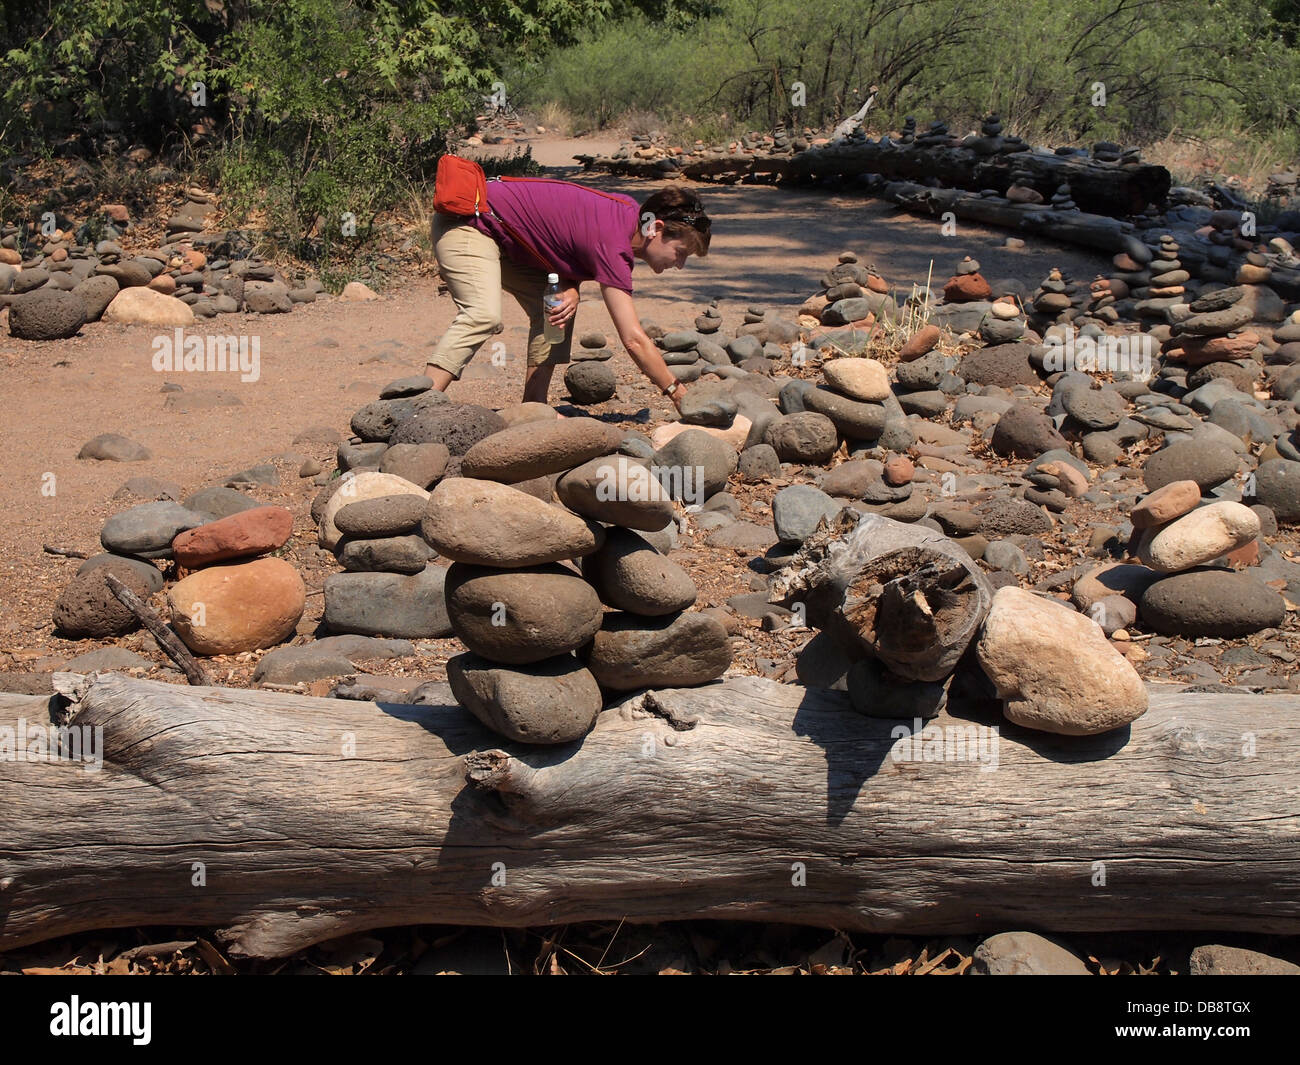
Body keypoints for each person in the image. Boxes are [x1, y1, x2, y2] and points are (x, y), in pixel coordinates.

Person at [424, 176, 711, 412]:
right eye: (681, 253)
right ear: (656, 229)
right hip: (468, 221)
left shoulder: (625, 216)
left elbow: (567, 241)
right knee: (483, 315)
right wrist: (677, 392)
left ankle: (533, 408)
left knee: (558, 306)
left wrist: (571, 286)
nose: (680, 265)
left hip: (503, 236)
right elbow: (634, 340)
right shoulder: (616, 242)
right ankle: (418, 405)